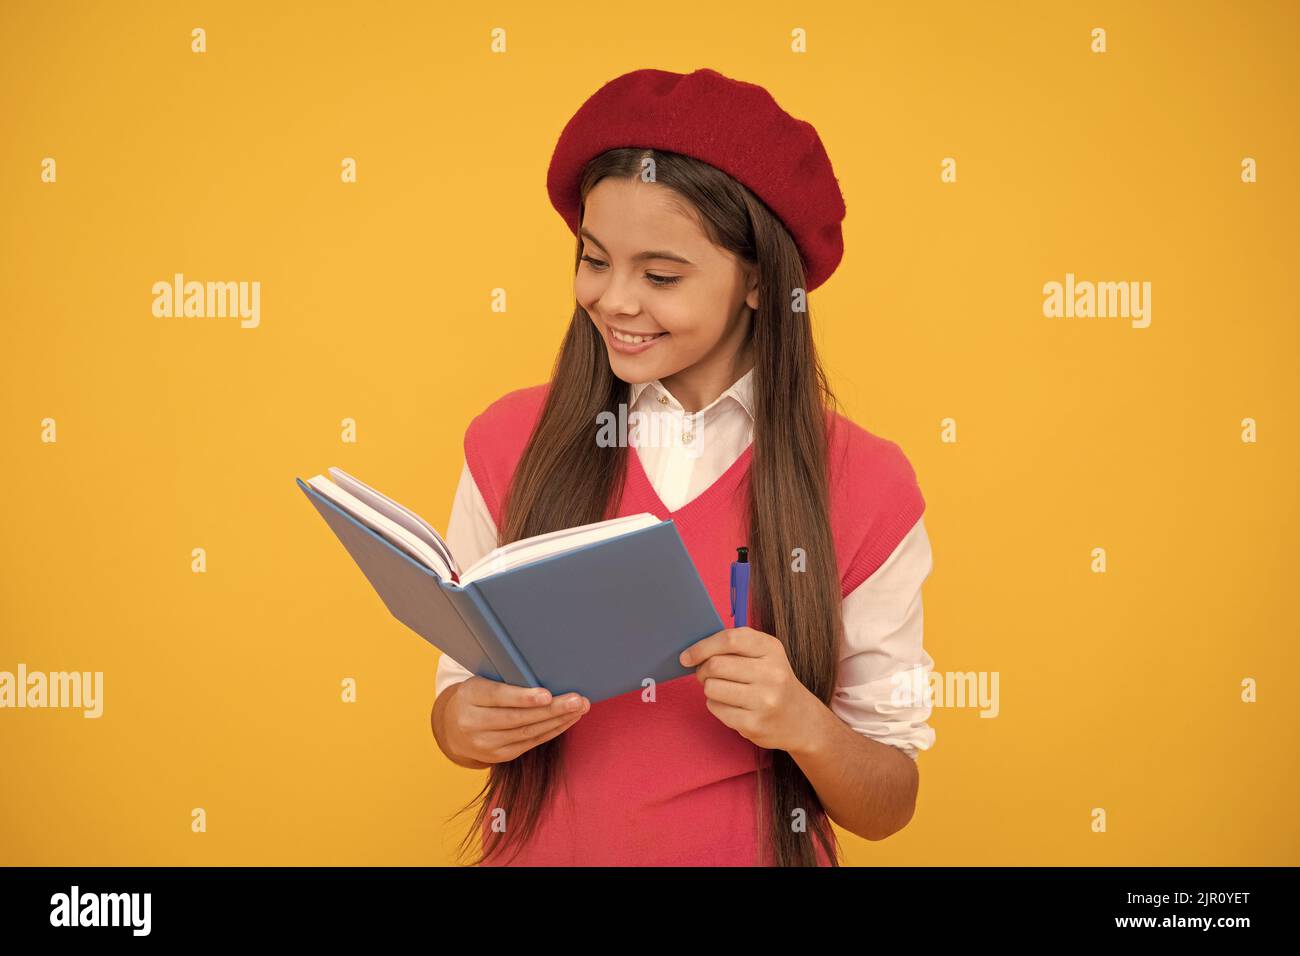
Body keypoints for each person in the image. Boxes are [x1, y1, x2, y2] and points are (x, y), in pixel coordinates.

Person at [430, 67, 936, 866]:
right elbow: (456, 699)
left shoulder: (867, 484)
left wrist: (801, 720)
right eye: (594, 260)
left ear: (762, 283)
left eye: (661, 276)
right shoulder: (508, 441)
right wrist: (463, 723)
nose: (615, 301)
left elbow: (888, 801)